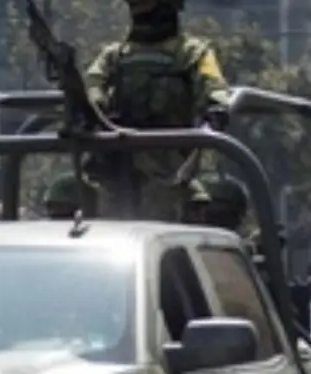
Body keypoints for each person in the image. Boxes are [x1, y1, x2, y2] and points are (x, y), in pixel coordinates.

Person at [84, 0, 231, 221]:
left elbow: (214, 86)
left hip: (170, 168)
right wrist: (96, 106)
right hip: (119, 165)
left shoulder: (192, 52)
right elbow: (93, 82)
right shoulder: (116, 55)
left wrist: (215, 112)